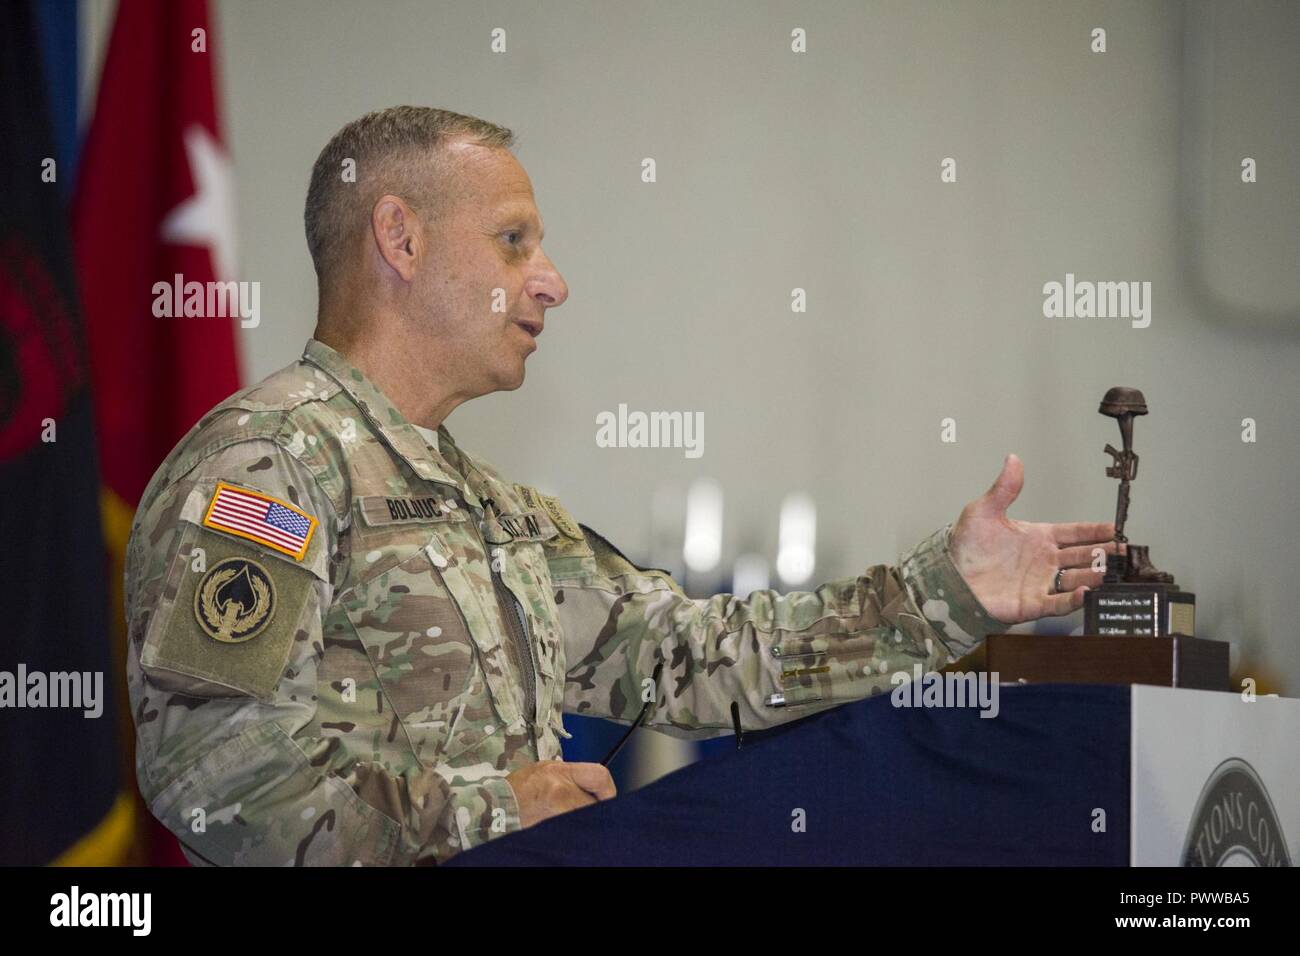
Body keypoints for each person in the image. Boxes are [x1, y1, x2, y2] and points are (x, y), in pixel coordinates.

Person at [124, 106, 1118, 866]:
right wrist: (501, 812)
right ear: (401, 239)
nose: (550, 278)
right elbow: (215, 769)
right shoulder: (267, 467)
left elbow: (699, 657)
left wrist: (946, 590)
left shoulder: (497, 511)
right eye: (513, 240)